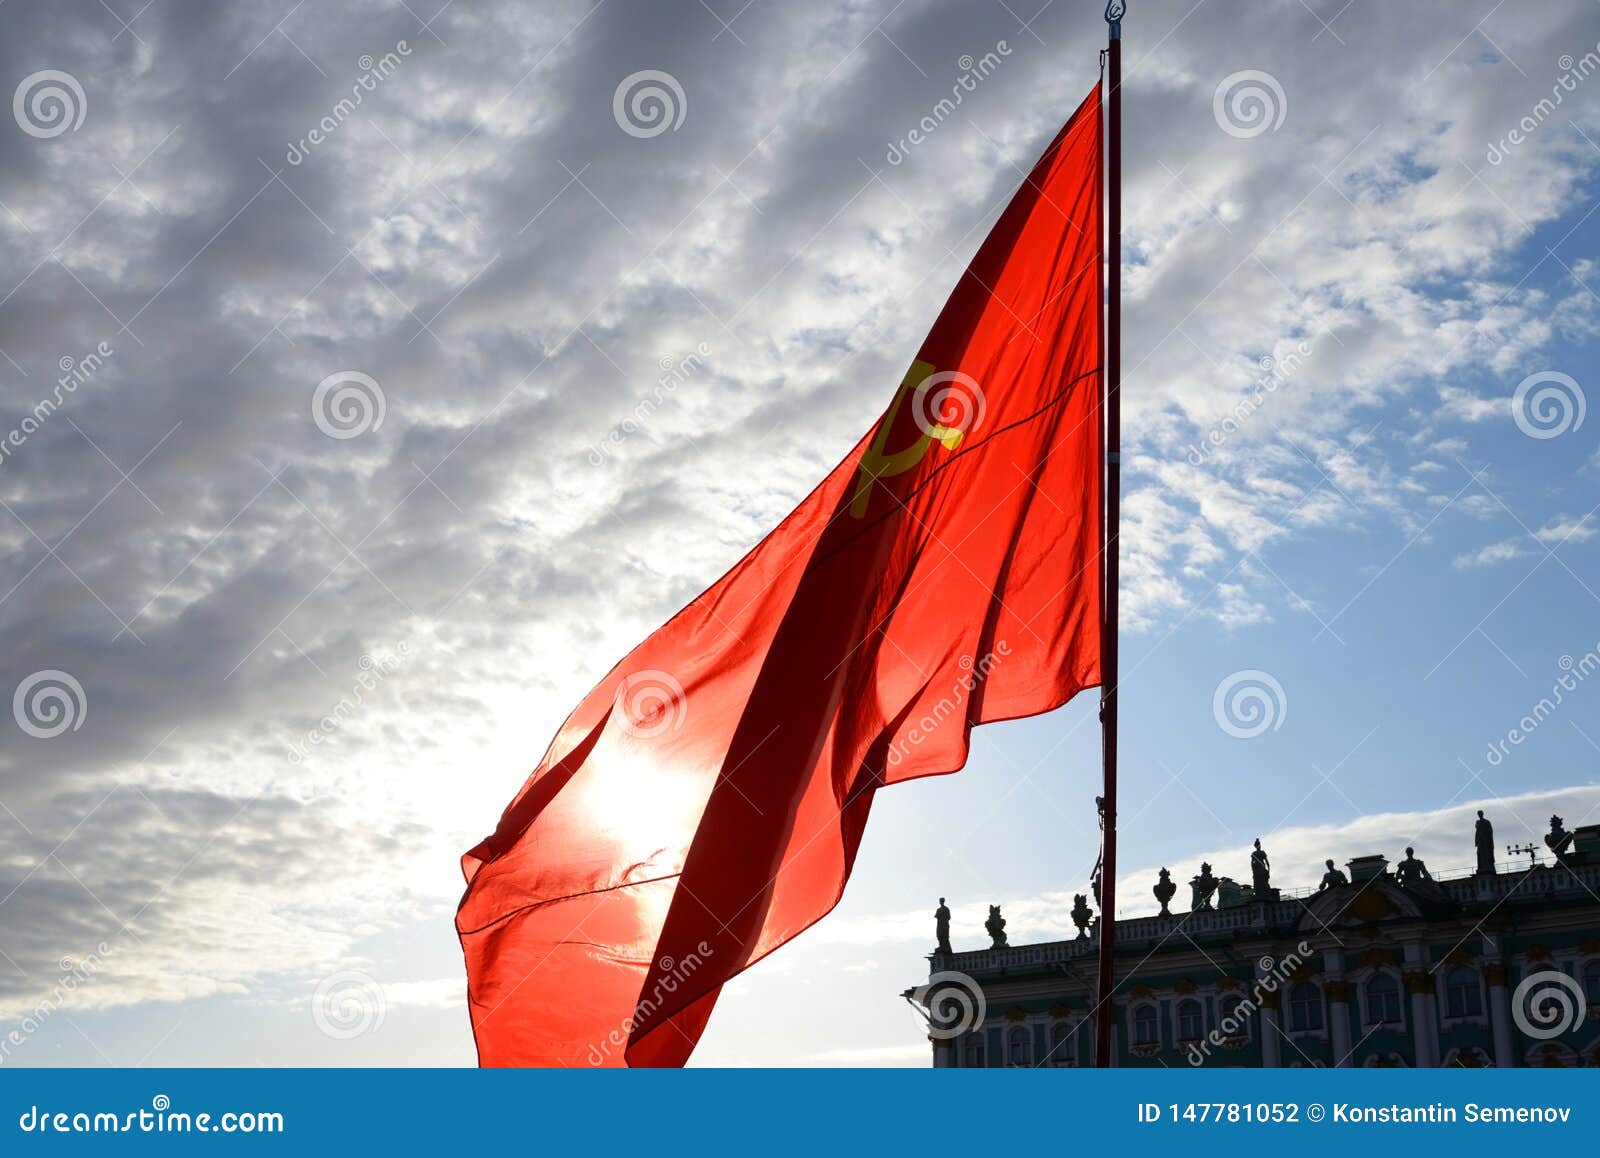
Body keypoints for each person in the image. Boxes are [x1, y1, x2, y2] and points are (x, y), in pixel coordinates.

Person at [1474, 810, 1495, 875]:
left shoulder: (1487, 822)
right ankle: (1481, 867)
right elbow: (1477, 832)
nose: (1479, 815)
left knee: (1486, 853)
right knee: (1479, 853)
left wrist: (1485, 833)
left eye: (1480, 813)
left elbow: (1490, 830)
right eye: (1478, 814)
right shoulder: (1478, 822)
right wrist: (1476, 841)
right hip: (1480, 841)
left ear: (1482, 814)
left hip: (1486, 840)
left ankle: (1488, 867)